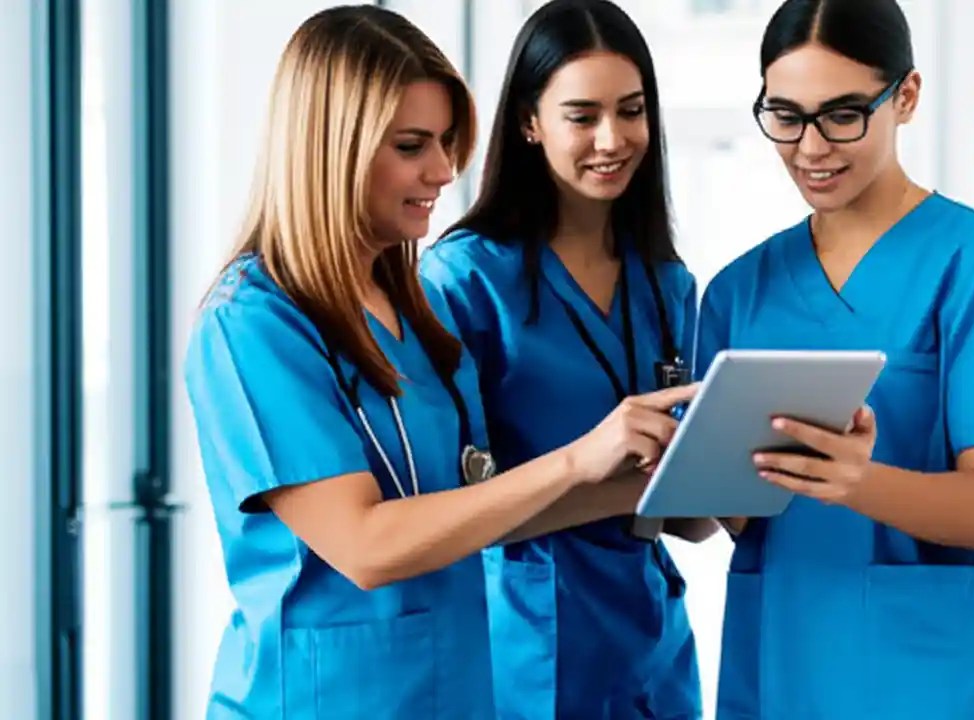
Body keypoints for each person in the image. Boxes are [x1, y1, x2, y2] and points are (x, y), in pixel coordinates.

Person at [183, 6, 694, 718]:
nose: (444, 171)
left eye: (447, 142)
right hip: (322, 700)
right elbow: (364, 545)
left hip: (451, 691)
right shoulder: (254, 321)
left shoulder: (413, 314)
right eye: (412, 146)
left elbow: (483, 510)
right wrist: (578, 459)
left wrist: (692, 473)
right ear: (331, 147)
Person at [699, 0, 974, 718]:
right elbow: (742, 516)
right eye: (786, 116)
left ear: (906, 97)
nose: (811, 147)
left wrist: (856, 481)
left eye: (843, 115)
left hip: (936, 680)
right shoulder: (737, 292)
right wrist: (685, 470)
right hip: (783, 661)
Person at [420, 1, 717, 717]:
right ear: (530, 122)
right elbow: (440, 515)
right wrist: (635, 489)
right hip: (528, 648)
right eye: (582, 116)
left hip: (652, 649)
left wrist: (753, 451)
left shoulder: (667, 284)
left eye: (631, 111)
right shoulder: (464, 281)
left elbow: (694, 519)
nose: (613, 139)